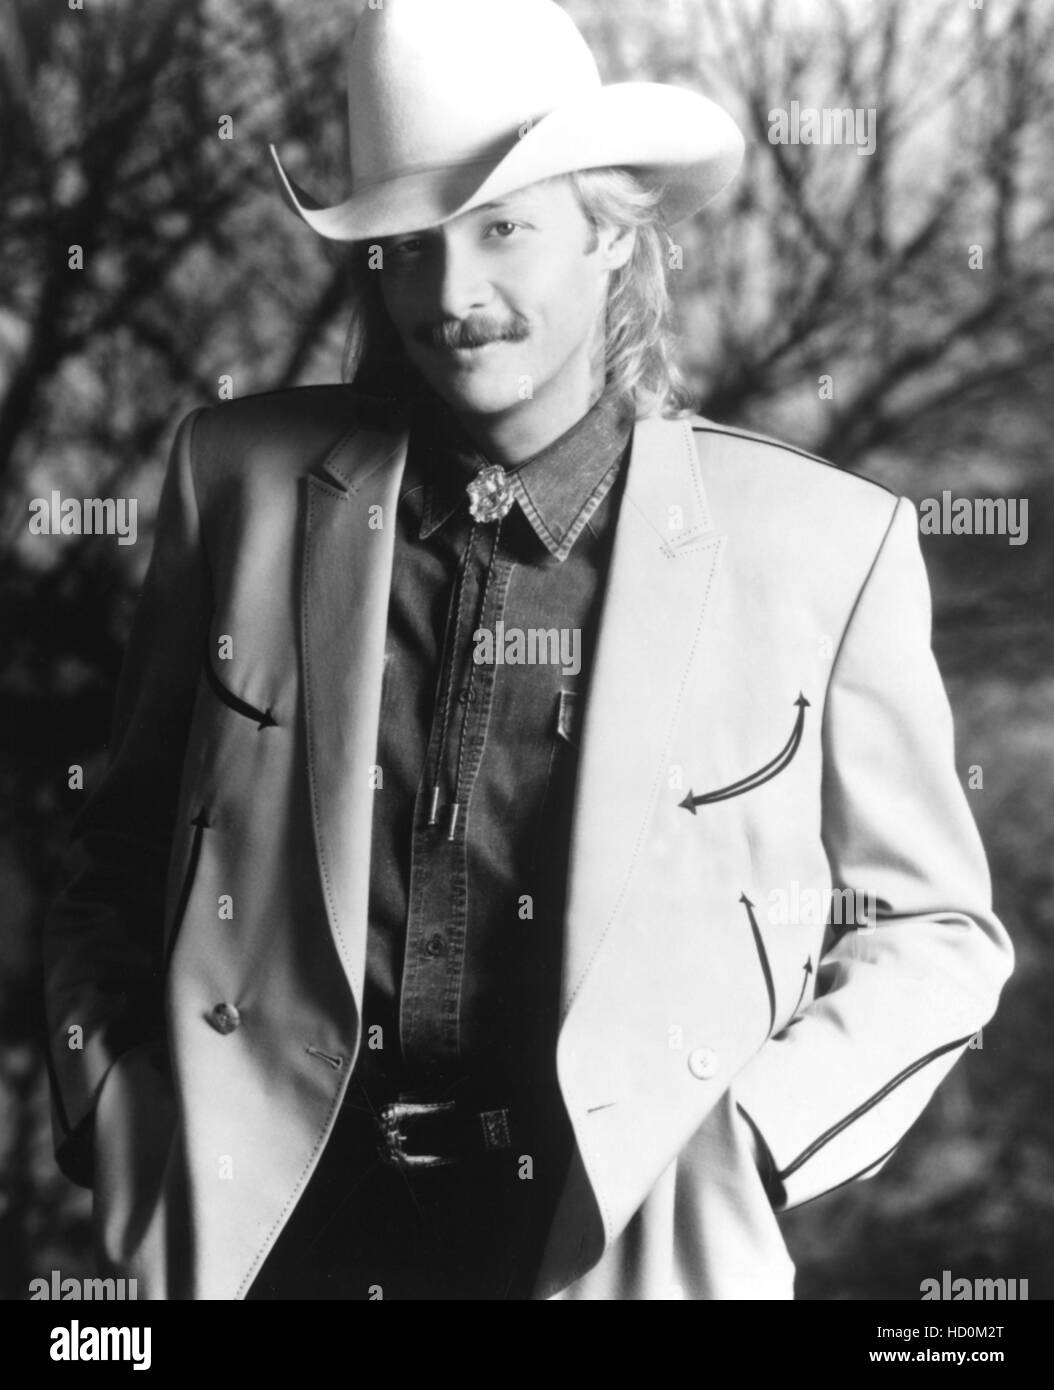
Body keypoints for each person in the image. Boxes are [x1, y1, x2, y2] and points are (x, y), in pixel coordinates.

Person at [44, 0, 1013, 1301]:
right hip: (270, 1251)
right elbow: (112, 851)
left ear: (611, 232)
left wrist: (747, 1148)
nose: (449, 296)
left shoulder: (822, 545)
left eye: (502, 228)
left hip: (611, 1251)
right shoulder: (239, 485)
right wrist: (117, 1120)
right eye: (403, 248)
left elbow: (934, 930)